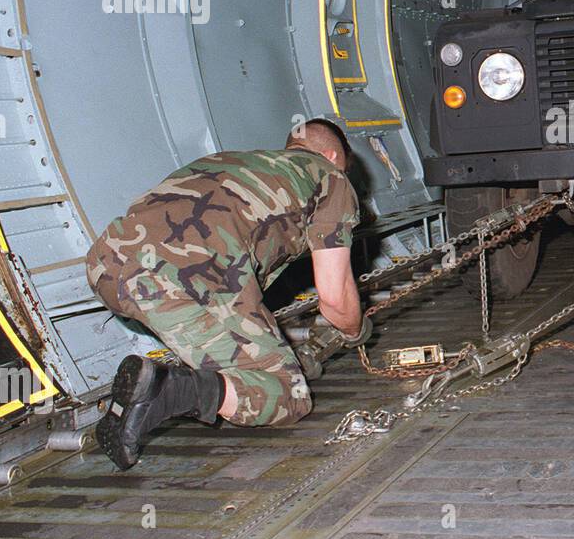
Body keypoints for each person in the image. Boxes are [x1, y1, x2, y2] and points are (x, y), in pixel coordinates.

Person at [85, 119, 368, 468]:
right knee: (289, 396)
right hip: (185, 277)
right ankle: (167, 389)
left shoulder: (232, 161)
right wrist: (355, 331)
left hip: (107, 266)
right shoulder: (330, 176)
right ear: (330, 155)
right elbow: (336, 298)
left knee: (225, 342)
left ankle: (129, 406)